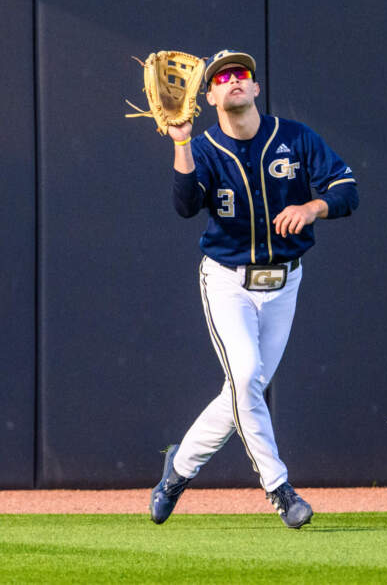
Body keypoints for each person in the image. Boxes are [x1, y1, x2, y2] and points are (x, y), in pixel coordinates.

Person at [149, 49, 359, 529]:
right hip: (227, 281)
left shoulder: (296, 138)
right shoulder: (202, 148)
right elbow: (185, 207)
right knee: (245, 377)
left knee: (245, 389)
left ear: (257, 87)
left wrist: (313, 208)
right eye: (222, 77)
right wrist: (179, 142)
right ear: (211, 95)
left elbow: (348, 188)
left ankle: (177, 472)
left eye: (243, 73)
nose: (234, 80)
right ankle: (280, 489)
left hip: (284, 282)